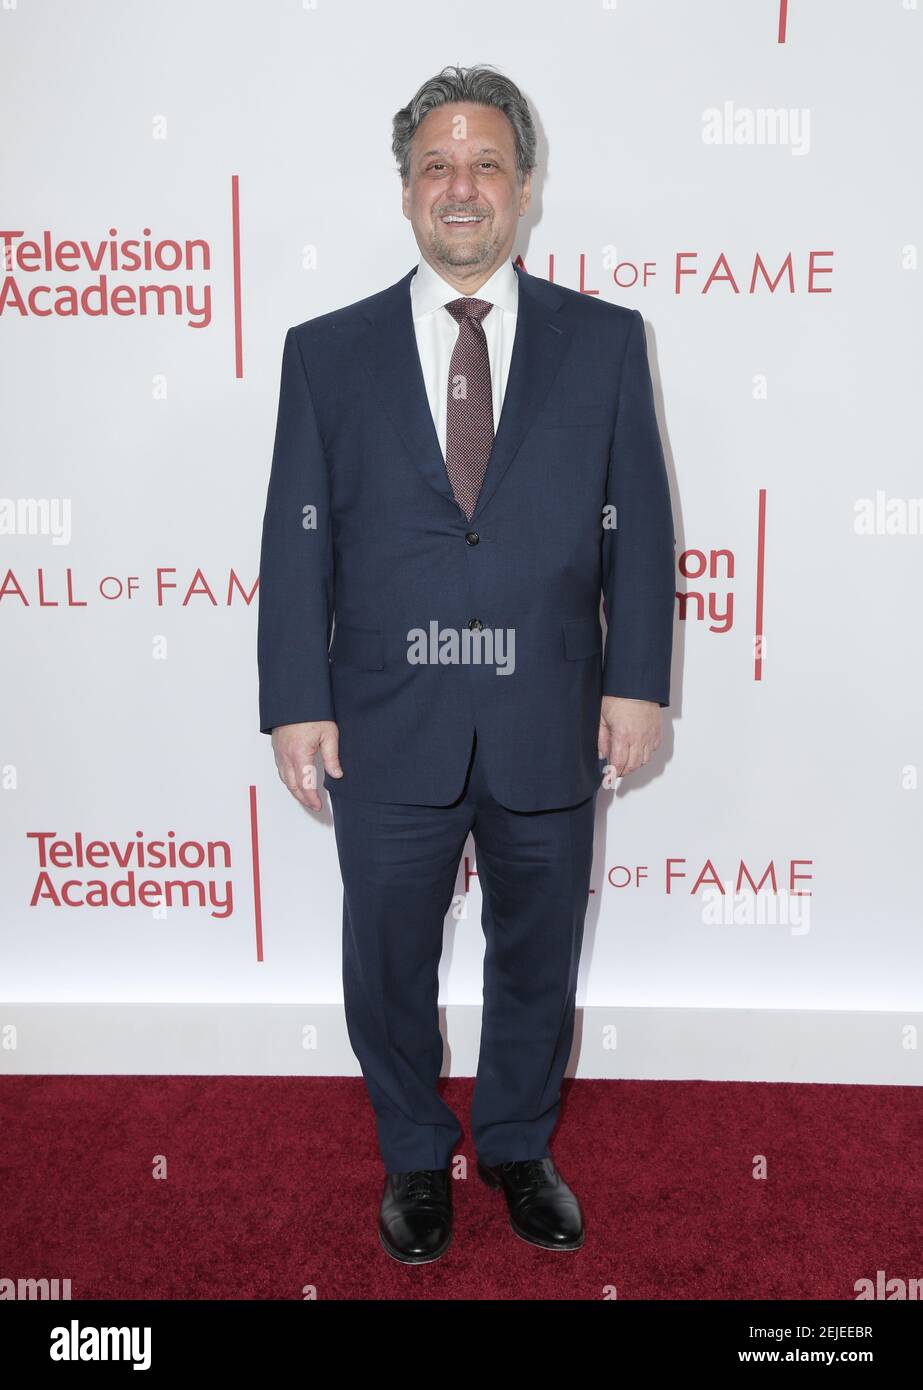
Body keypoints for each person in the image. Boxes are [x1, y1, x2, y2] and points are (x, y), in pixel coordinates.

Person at [257, 64, 675, 1264]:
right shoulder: (323, 354)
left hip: (552, 710)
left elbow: (637, 526)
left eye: (486, 162)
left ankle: (513, 1142)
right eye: (435, 164)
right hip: (383, 718)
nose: (461, 187)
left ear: (525, 188)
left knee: (538, 946)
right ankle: (408, 1154)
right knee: (385, 952)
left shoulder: (602, 343)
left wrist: (634, 679)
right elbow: (296, 537)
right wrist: (295, 701)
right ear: (402, 192)